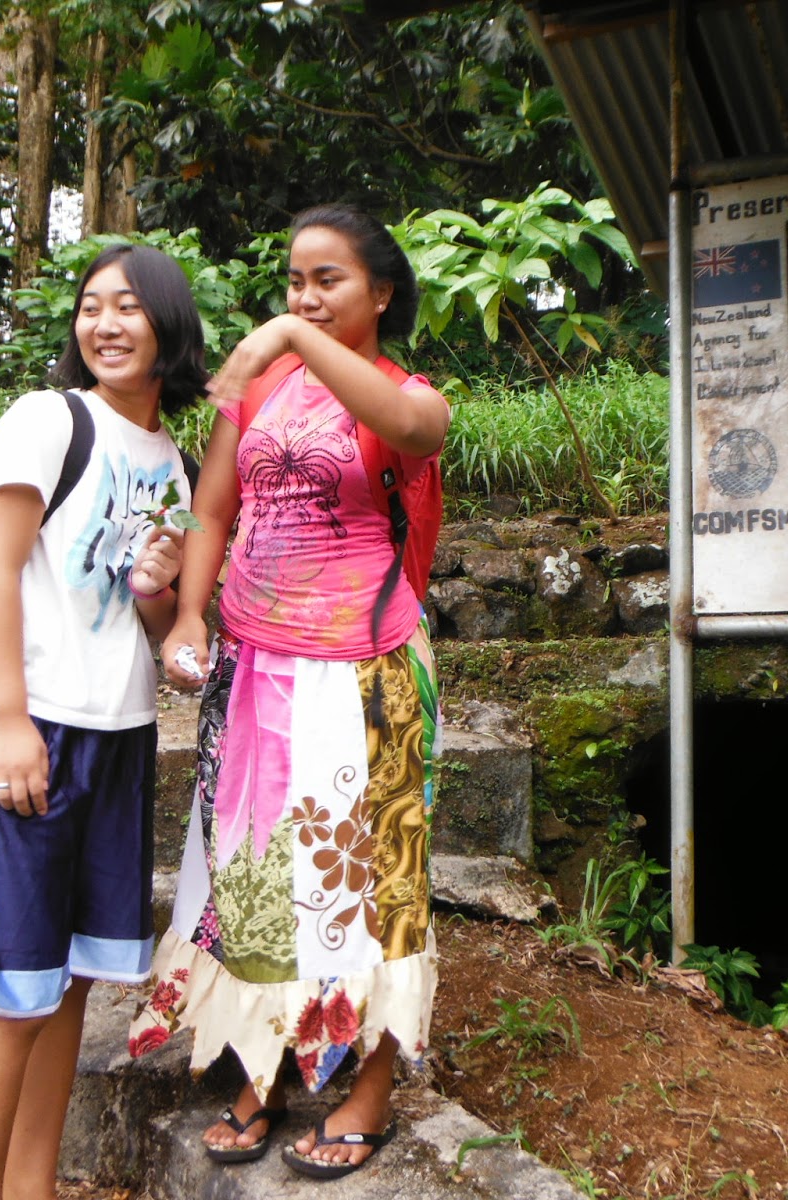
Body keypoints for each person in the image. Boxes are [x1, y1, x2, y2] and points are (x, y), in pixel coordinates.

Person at [126, 203, 449, 1181]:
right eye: (295, 282)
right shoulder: (258, 386)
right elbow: (213, 506)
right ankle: (263, 1064)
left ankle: (369, 1087)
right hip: (257, 665)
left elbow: (413, 432)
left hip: (368, 671)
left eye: (328, 280)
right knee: (256, 877)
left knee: (372, 886)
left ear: (381, 292)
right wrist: (188, 617)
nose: (305, 296)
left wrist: (291, 335)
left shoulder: (404, 391)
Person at [0, 244, 206, 1200]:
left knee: (66, 987)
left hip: (119, 735)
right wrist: (7, 719)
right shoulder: (49, 420)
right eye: (92, 307)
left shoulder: (174, 459)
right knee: (5, 999)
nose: (106, 324)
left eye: (129, 307)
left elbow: (154, 621)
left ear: (171, 326)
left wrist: (168, 610)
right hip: (30, 724)